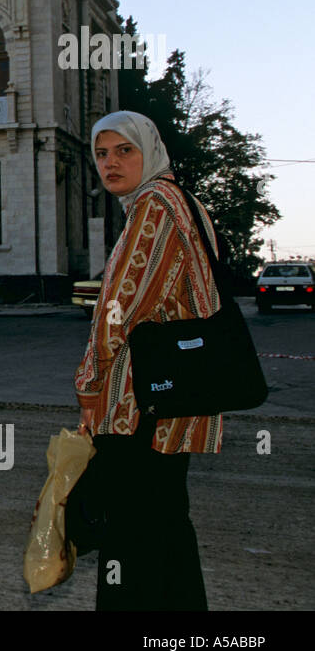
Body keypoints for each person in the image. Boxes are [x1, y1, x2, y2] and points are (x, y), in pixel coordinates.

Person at [75, 110, 221, 611]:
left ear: (149, 152)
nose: (110, 163)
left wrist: (90, 384)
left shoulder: (155, 204)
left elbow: (119, 306)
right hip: (174, 399)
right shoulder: (186, 203)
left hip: (140, 406)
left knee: (131, 539)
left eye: (123, 151)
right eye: (101, 153)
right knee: (167, 531)